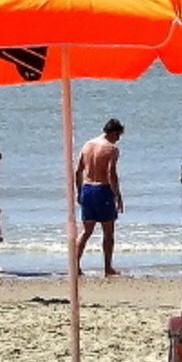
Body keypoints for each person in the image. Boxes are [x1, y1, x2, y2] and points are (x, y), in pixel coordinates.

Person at [74, 118, 124, 276]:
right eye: (118, 135)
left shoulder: (87, 145)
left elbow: (78, 171)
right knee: (108, 232)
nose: (118, 139)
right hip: (103, 190)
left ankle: (75, 265)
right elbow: (111, 174)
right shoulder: (111, 149)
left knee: (86, 231)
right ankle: (108, 267)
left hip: (87, 189)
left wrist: (79, 191)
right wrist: (118, 196)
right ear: (114, 132)